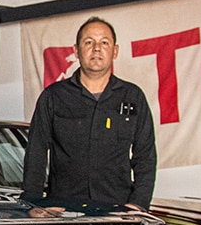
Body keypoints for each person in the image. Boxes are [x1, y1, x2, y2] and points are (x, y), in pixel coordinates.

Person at [22, 16, 156, 211]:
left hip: (117, 211)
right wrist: (34, 204)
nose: (96, 49)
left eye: (104, 42)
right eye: (88, 42)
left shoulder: (133, 97)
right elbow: (36, 152)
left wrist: (138, 204)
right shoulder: (54, 97)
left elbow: (145, 156)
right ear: (76, 51)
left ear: (115, 51)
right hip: (63, 209)